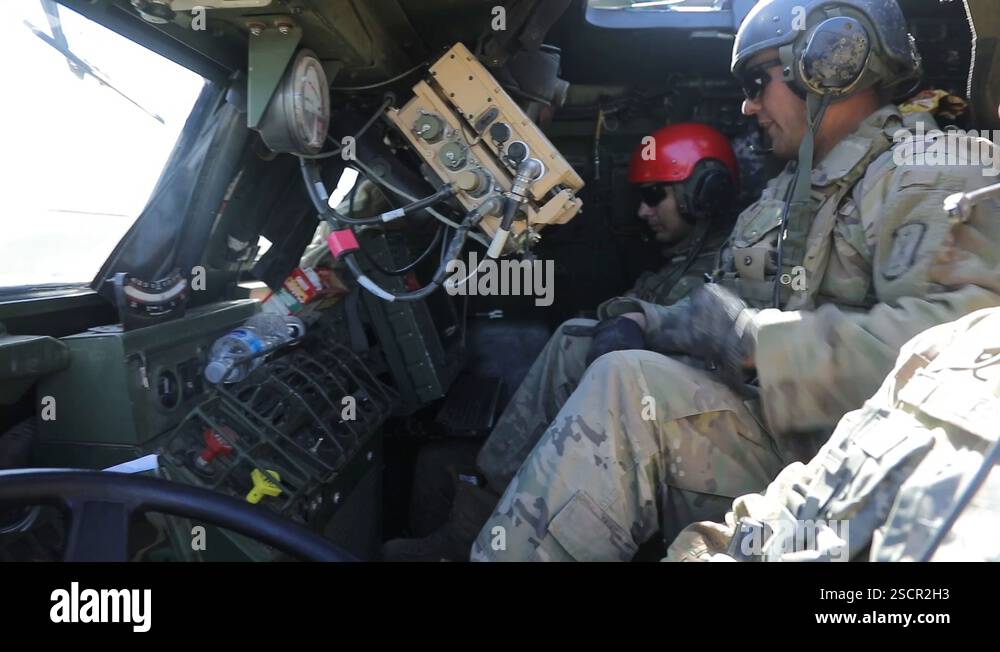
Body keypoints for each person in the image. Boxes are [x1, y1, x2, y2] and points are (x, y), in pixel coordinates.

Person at [470, 0, 1000, 561]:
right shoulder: (789, 191)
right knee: (583, 341)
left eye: (756, 80)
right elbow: (720, 312)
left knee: (629, 385)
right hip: (765, 422)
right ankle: (482, 519)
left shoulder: (930, 169)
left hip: (837, 462)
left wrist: (757, 343)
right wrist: (645, 318)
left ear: (831, 62)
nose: (747, 106)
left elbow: (962, 352)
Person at [382, 123, 742, 561]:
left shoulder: (724, 269)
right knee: (575, 334)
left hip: (701, 417)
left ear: (703, 195)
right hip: (666, 398)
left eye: (654, 196)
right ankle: (483, 510)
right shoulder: (675, 266)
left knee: (575, 340)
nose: (643, 212)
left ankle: (486, 521)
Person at [666, 306, 1000, 563]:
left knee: (629, 378)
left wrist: (760, 339)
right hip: (787, 526)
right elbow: (804, 490)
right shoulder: (958, 342)